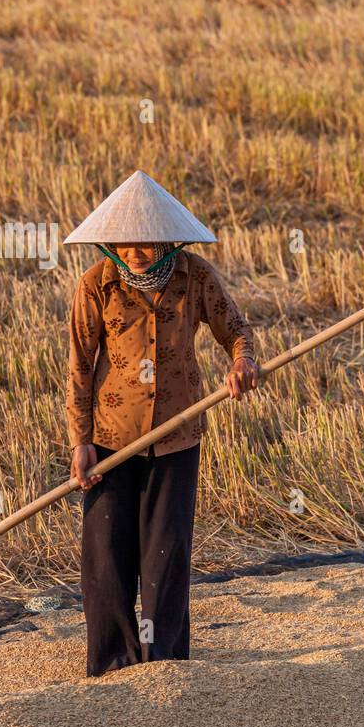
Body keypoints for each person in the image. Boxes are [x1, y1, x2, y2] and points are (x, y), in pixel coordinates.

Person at [62, 170, 259, 676]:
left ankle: (165, 665)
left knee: (165, 559)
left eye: (149, 240)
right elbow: (80, 369)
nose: (137, 250)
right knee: (106, 563)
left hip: (176, 438)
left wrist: (242, 364)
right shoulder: (95, 287)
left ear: (169, 238)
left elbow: (236, 331)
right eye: (127, 241)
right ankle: (111, 666)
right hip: (111, 441)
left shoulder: (195, 278)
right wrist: (80, 442)